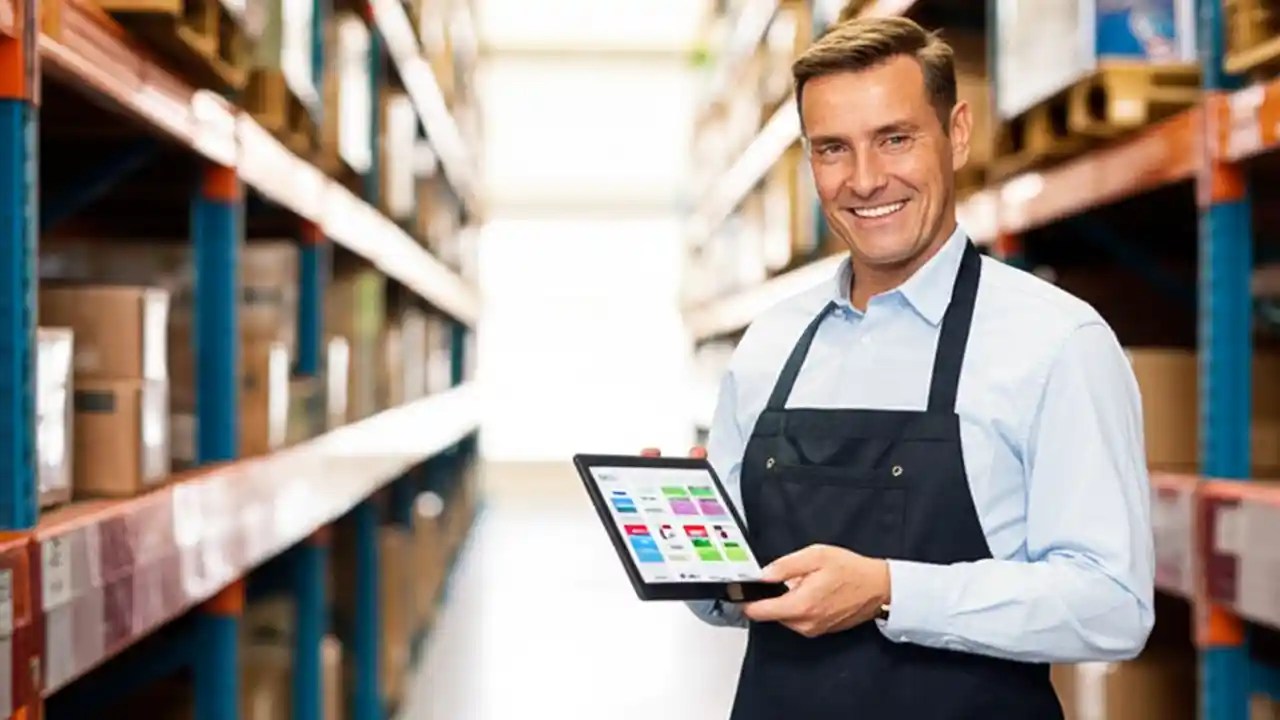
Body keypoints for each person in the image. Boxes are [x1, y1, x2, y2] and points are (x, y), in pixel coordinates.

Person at [649, 15, 1155, 719]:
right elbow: (740, 604)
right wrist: (693, 552)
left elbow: (1113, 606)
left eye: (894, 138)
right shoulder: (770, 344)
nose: (864, 179)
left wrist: (890, 589)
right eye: (832, 149)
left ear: (956, 133)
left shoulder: (1056, 342)